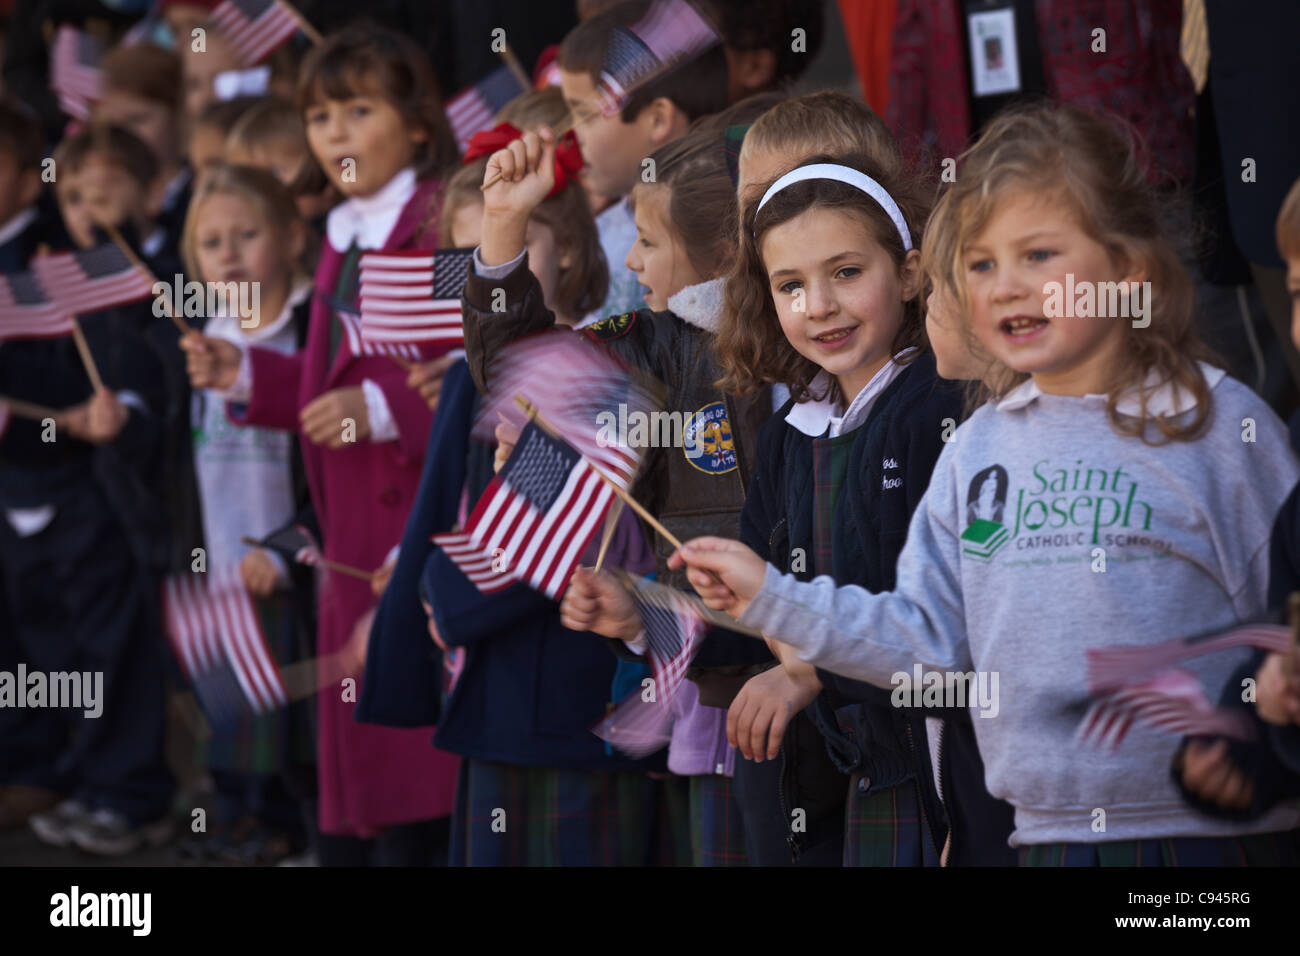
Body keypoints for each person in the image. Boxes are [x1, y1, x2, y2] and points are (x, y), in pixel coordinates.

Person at [671, 103, 1300, 866]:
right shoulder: (979, 446)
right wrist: (775, 598)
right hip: (1040, 839)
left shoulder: (1219, 427)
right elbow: (930, 644)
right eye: (981, 264)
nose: (1005, 287)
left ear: (1129, 267)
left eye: (1037, 255)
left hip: (1210, 844)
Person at [179, 22, 462, 866]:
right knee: (354, 818)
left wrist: (382, 410)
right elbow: (320, 388)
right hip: (348, 555)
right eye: (319, 114)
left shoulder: (447, 221)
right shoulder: (341, 233)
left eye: (357, 109)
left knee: (418, 811)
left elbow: (478, 383)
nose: (333, 132)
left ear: (415, 123)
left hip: (416, 548)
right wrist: (246, 378)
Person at [178, 162, 315, 863]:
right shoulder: (198, 339)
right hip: (220, 564)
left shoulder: (312, 332)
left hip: (290, 567)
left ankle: (296, 828)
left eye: (246, 234)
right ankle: (244, 822)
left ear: (293, 236)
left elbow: (329, 472)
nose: (227, 254)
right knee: (231, 715)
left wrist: (289, 546)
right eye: (210, 243)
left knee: (297, 720)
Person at [554, 0, 729, 319]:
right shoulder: (602, 231)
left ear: (658, 119)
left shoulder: (707, 235)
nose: (571, 135)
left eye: (585, 115)